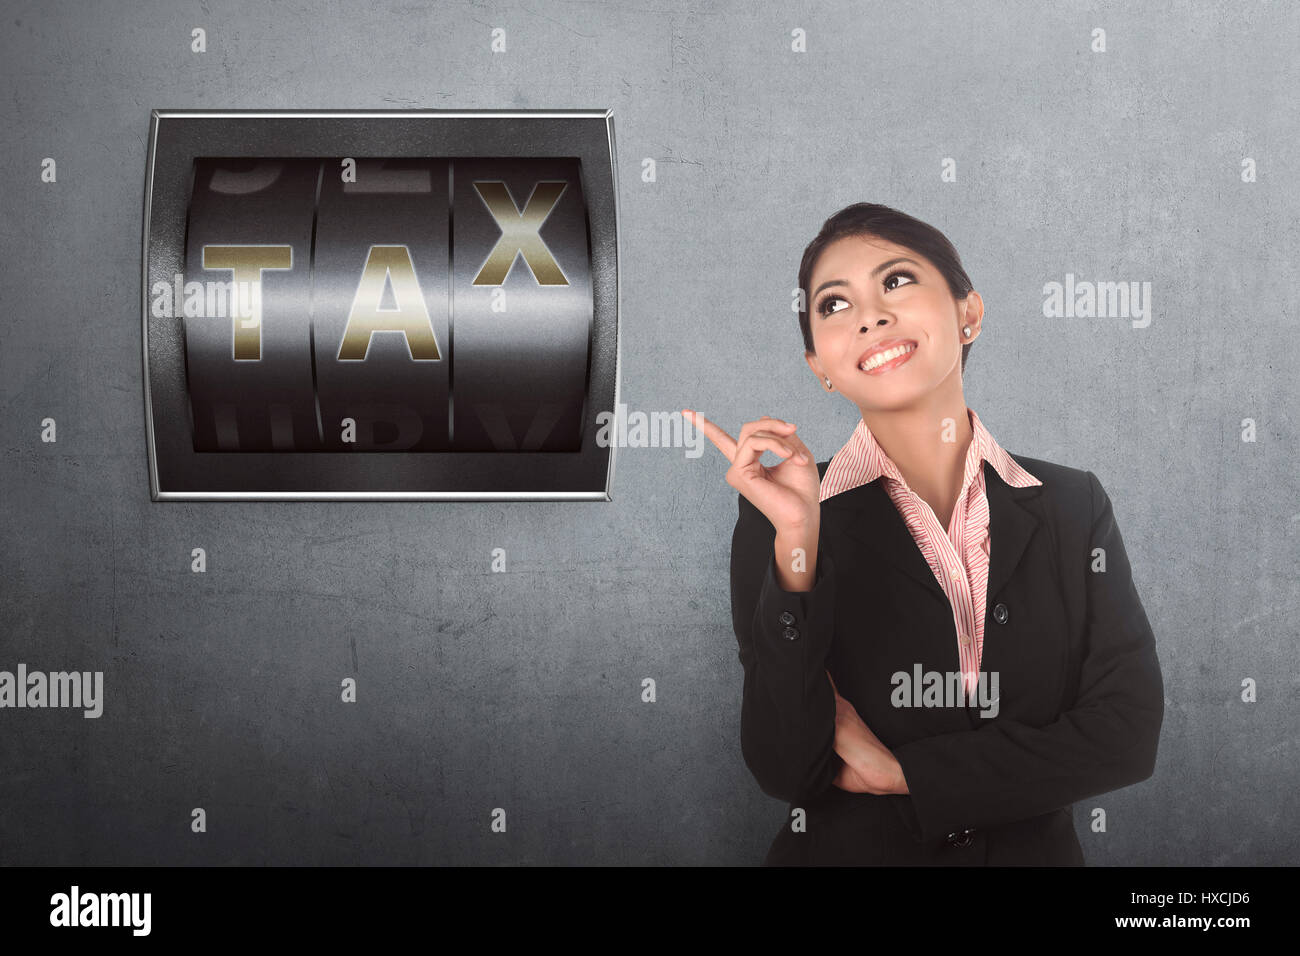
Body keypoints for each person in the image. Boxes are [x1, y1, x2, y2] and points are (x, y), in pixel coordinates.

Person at [684, 203, 1164, 865]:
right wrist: (798, 537)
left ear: (968, 314)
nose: (869, 316)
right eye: (833, 305)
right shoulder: (783, 511)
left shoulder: (1071, 506)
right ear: (819, 365)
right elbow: (786, 767)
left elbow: (1126, 735)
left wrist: (907, 774)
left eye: (898, 281)